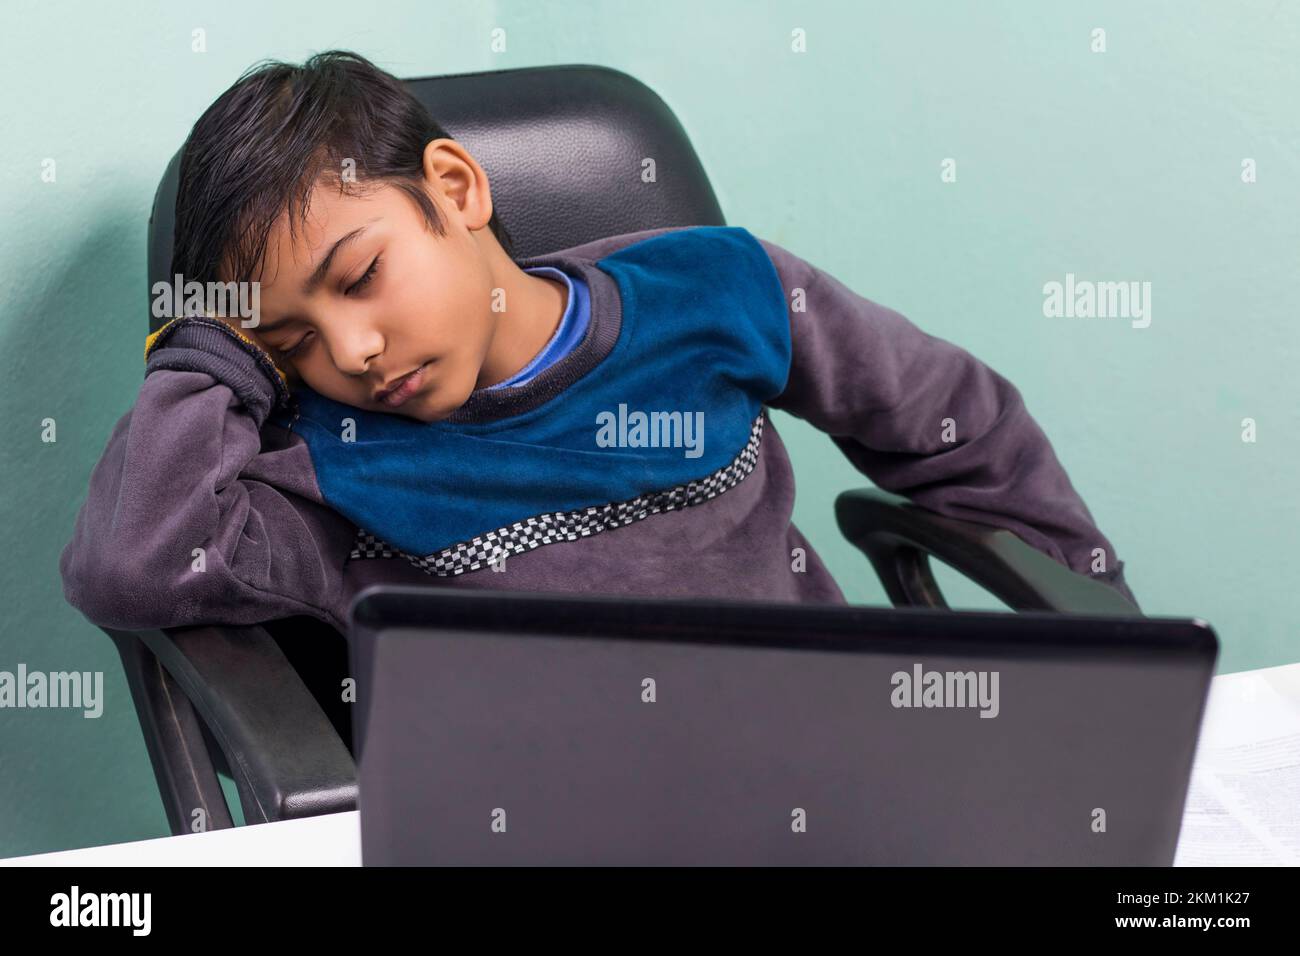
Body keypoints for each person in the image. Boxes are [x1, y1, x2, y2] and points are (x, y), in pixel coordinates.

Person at [60, 50, 1138, 634]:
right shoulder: (328, 462)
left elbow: (963, 423)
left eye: (360, 276)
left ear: (456, 187)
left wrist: (1100, 618)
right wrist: (212, 343)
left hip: (818, 786)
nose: (353, 348)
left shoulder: (717, 288)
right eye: (293, 337)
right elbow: (132, 566)